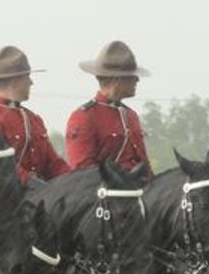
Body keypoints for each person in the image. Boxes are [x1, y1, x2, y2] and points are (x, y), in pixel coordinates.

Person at [0, 46, 70, 185]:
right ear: (15, 80)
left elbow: (54, 165)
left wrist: (76, 182)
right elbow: (0, 168)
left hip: (39, 199)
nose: (31, 82)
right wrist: (34, 185)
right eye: (27, 76)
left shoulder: (33, 120)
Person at [65, 41, 152, 176]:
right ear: (117, 79)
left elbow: (145, 167)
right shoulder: (84, 117)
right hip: (106, 193)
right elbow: (82, 172)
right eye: (132, 76)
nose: (137, 80)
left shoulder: (131, 115)